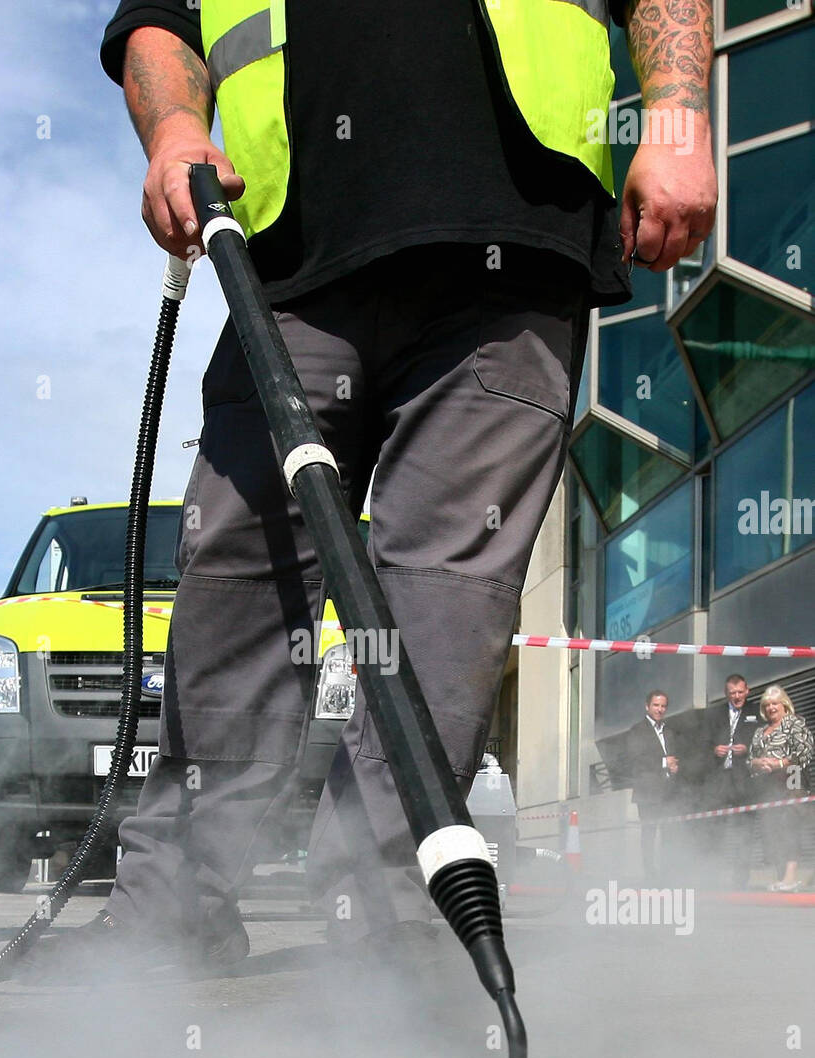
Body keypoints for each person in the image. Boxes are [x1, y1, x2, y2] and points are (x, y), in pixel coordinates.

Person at [70, 0, 717, 968]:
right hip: (289, 263)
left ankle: (382, 926)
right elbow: (161, 20)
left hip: (514, 245)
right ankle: (171, 915)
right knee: (240, 576)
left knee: (444, 601)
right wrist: (172, 130)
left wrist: (675, 116)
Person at [747, 686, 814, 893]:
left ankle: (790, 876)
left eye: (775, 703)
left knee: (789, 825)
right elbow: (750, 760)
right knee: (771, 828)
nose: (771, 708)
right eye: (767, 705)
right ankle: (780, 876)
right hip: (767, 783)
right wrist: (759, 763)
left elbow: (805, 752)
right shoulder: (760, 732)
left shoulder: (795, 723)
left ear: (784, 704)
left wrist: (779, 763)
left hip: (792, 779)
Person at [707, 673, 759, 889]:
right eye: (732, 693)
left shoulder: (757, 711)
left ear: (747, 691)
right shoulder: (715, 714)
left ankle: (741, 879)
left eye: (740, 692)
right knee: (714, 828)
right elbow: (703, 741)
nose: (737, 696)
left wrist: (748, 748)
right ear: (726, 694)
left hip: (744, 779)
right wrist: (714, 750)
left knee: (745, 829)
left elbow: (764, 741)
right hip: (720, 779)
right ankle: (712, 876)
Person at [625, 691, 682, 880]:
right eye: (656, 705)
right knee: (649, 833)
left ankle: (668, 872)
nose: (660, 709)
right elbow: (635, 760)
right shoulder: (637, 730)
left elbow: (674, 756)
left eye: (663, 706)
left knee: (670, 833)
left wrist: (674, 767)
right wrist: (664, 763)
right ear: (647, 706)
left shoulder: (669, 731)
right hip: (648, 792)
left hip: (668, 791)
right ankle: (650, 874)